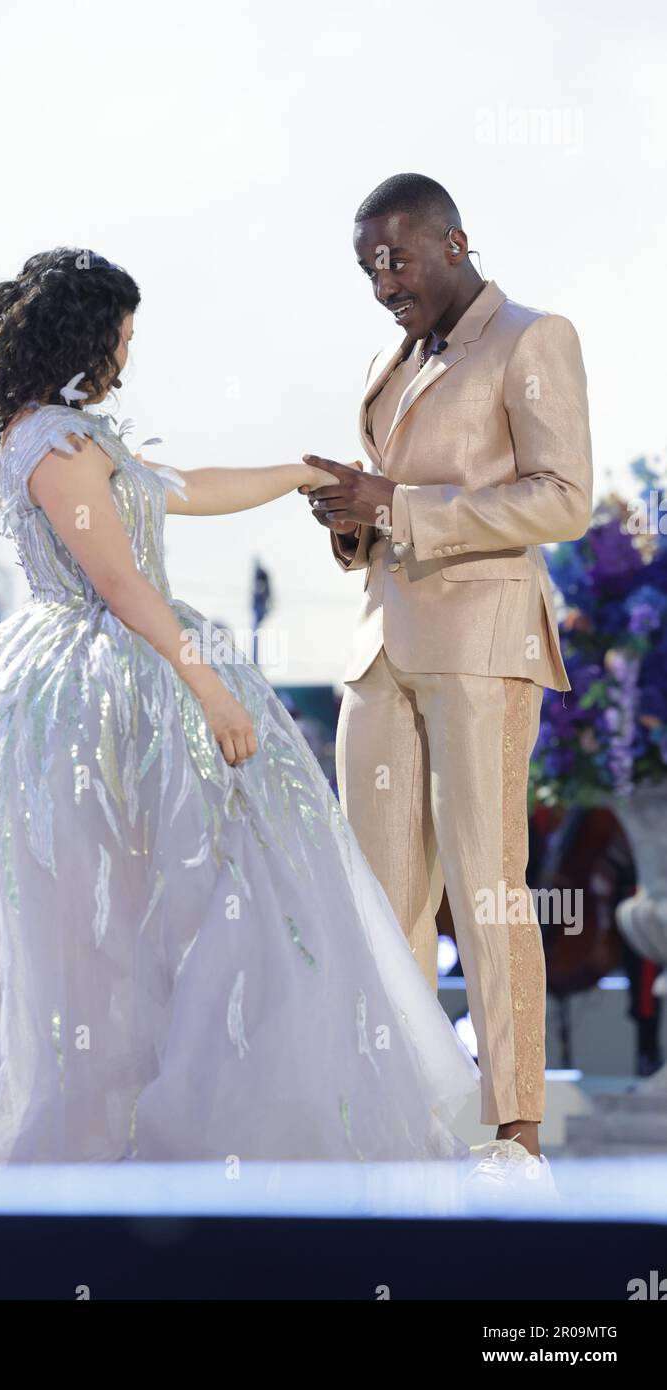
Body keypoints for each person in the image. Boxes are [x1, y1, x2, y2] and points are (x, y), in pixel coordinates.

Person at [0, 248, 479, 1185]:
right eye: (122, 330)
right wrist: (207, 685)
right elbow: (119, 584)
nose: (128, 349)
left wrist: (291, 474)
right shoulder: (51, 445)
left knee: (171, 895)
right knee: (112, 905)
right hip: (101, 684)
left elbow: (184, 488)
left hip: (128, 666)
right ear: (87, 332)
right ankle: (109, 1132)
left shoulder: (75, 437)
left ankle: (168, 1118)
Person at [302, 173, 593, 1192]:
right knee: (381, 908)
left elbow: (562, 498)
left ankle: (513, 1135)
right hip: (378, 652)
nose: (383, 282)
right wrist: (353, 518)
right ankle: (399, 1120)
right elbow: (391, 507)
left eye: (397, 258)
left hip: (478, 645)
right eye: (366, 266)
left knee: (486, 888)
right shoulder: (392, 358)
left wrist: (406, 505)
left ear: (453, 243)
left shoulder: (531, 336)